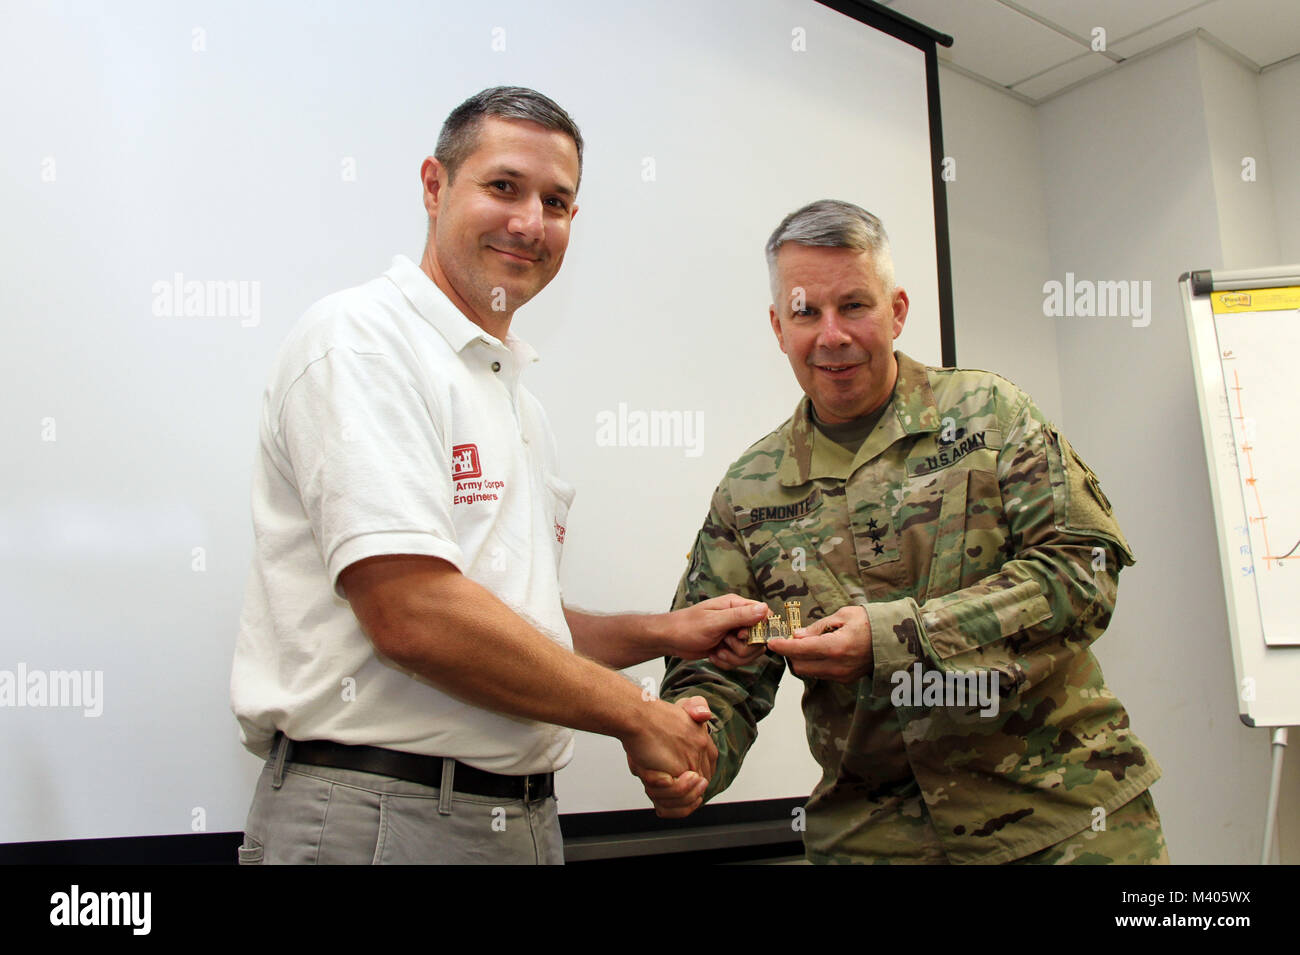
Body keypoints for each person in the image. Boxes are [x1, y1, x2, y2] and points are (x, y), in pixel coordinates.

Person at [231, 87, 767, 864]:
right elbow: (414, 611)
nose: (529, 222)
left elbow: (518, 626)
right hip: (382, 818)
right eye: (504, 186)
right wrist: (638, 713)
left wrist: (666, 633)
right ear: (434, 185)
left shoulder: (517, 401)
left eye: (556, 202)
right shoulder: (363, 342)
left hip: (520, 820)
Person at [640, 199, 1166, 864]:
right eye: (806, 312)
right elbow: (723, 661)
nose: (832, 335)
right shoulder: (750, 490)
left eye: (854, 305)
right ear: (779, 326)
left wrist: (897, 637)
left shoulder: (989, 415)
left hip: (1063, 821)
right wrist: (692, 747)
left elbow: (1081, 573)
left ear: (897, 311)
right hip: (873, 843)